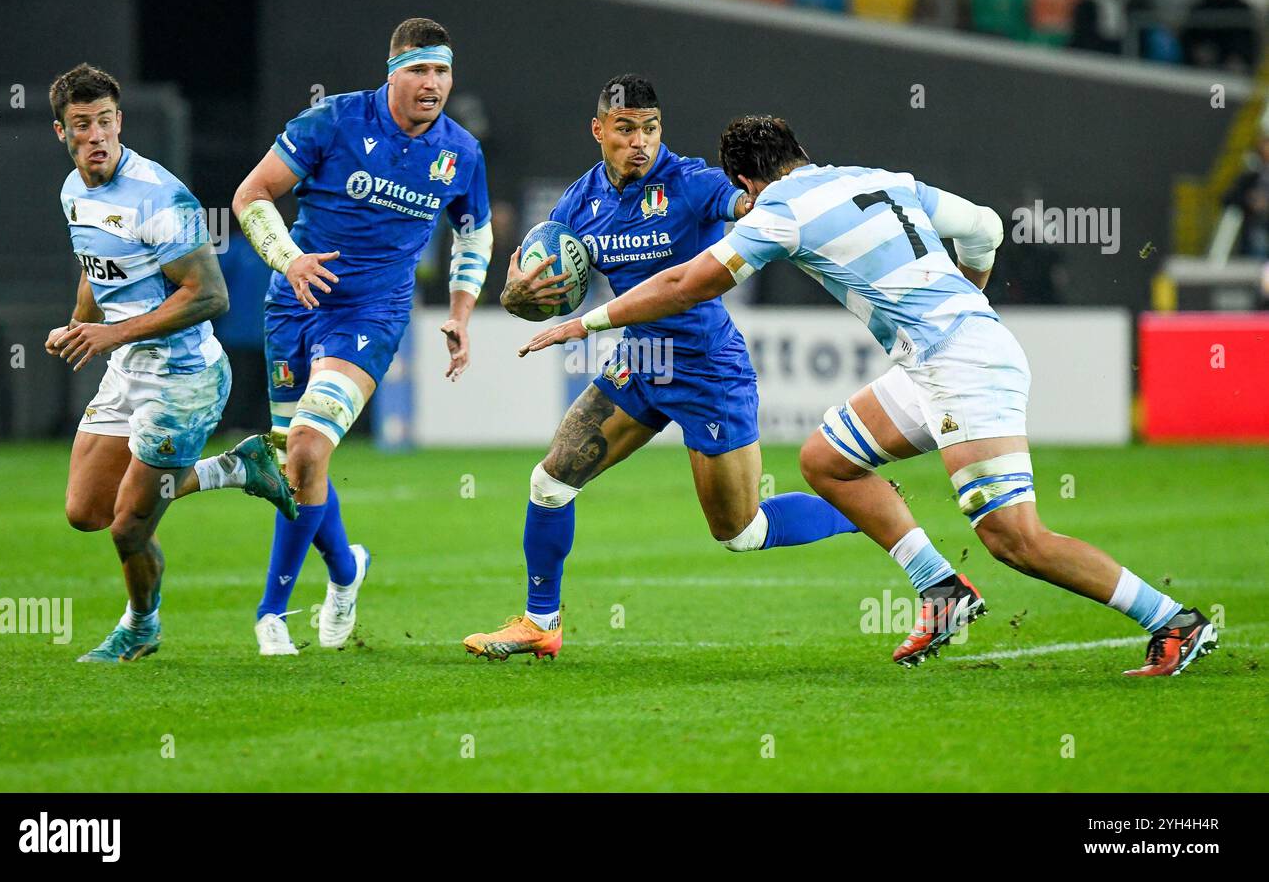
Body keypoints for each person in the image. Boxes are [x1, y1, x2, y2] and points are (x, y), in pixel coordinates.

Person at [521, 115, 1218, 677]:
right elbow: (985, 228)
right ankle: (942, 589)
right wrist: (970, 294)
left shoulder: (776, 212)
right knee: (827, 461)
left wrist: (583, 322)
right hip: (939, 358)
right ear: (802, 151)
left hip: (962, 366)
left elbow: (685, 284)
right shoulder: (881, 178)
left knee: (1013, 538)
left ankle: (1173, 621)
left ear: (743, 180)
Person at [461, 80, 857, 662]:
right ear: (599, 131)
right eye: (625, 129)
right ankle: (540, 623)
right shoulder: (577, 206)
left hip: (707, 370)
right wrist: (518, 295)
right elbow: (531, 293)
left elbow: (751, 205)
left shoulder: (692, 183)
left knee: (739, 533)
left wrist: (773, 203)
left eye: (650, 128)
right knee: (550, 482)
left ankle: (855, 507)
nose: (640, 142)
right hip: (641, 363)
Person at [232, 18, 492, 655]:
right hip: (293, 303)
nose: (433, 84)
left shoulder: (461, 153)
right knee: (297, 464)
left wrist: (461, 310)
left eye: (443, 71)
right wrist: (289, 258)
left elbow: (474, 233)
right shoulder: (333, 121)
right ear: (392, 72)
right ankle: (346, 573)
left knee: (309, 449)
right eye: (419, 71)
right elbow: (250, 194)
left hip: (370, 317)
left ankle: (272, 612)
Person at [47, 63, 296, 663]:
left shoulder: (159, 195)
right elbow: (94, 264)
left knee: (128, 528)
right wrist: (83, 324)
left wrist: (112, 335)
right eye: (82, 125)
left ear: (120, 122)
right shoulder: (73, 191)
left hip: (185, 379)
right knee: (86, 511)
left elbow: (211, 296)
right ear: (63, 133)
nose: (97, 135)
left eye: (106, 121)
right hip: (127, 367)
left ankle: (141, 625)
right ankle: (236, 469)